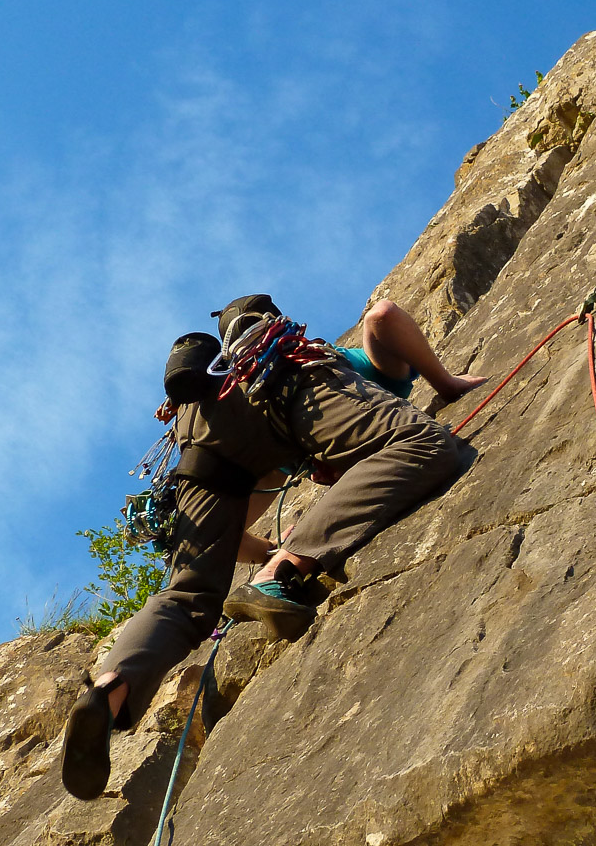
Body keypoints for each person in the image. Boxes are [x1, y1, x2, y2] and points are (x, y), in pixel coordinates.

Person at [59, 294, 481, 800]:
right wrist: (445, 383)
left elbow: (229, 536)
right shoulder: (360, 373)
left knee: (187, 595)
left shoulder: (253, 433)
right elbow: (384, 314)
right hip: (289, 378)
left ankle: (111, 687)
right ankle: (286, 573)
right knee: (426, 443)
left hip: (201, 426)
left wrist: (266, 550)